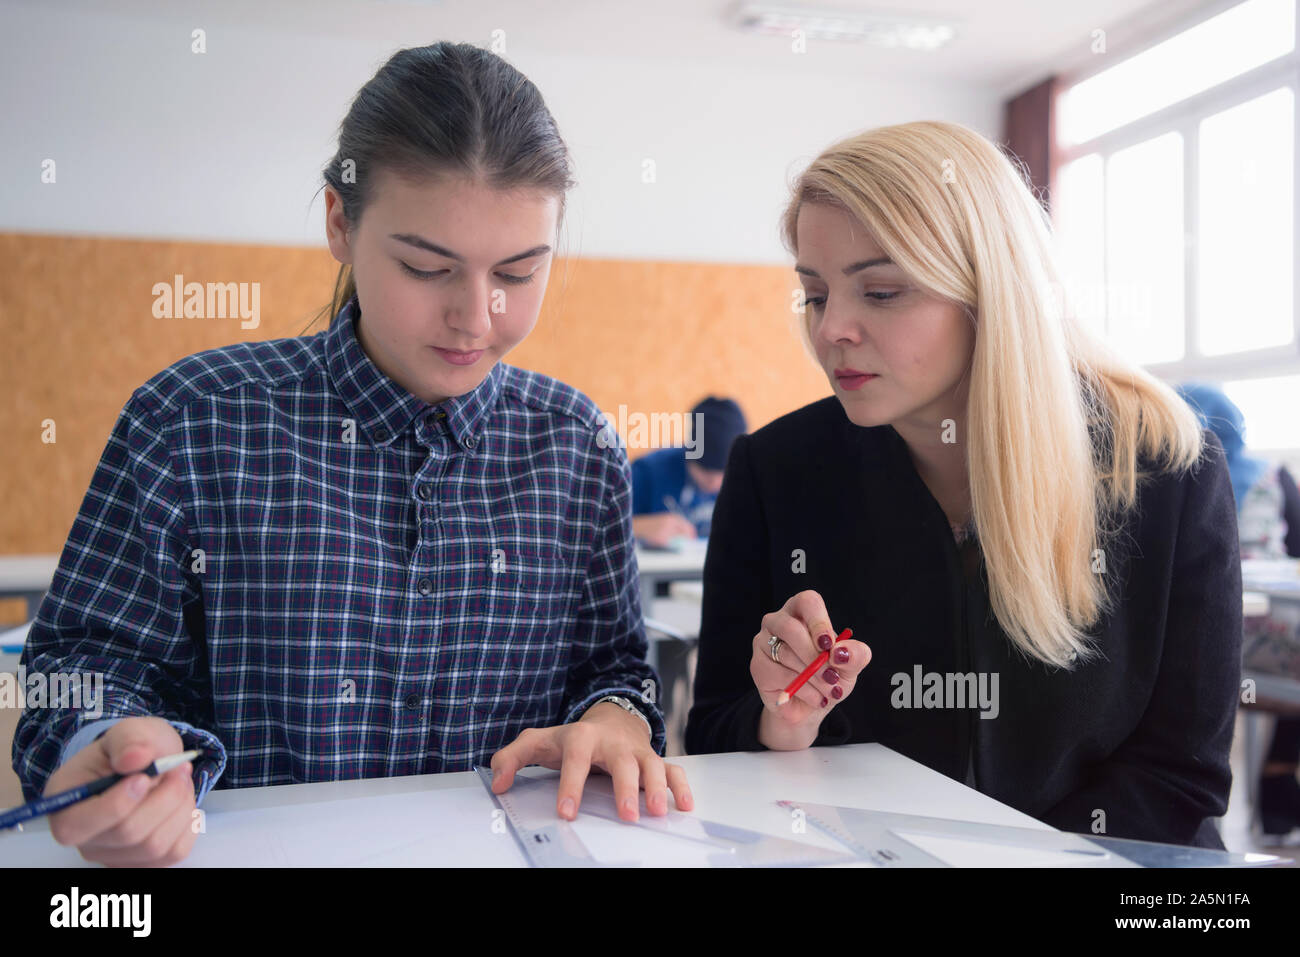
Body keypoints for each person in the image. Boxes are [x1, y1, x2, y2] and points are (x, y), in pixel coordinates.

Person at [13, 42, 691, 867]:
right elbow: (79, 664)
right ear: (340, 221)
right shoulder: (192, 421)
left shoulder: (576, 444)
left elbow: (613, 666)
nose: (475, 317)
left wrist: (617, 717)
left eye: (518, 271)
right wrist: (113, 737)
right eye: (426, 267)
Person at [686, 120, 1242, 849]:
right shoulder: (772, 471)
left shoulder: (1165, 466)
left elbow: (1181, 774)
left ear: (992, 292)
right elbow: (713, 732)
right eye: (816, 295)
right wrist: (781, 720)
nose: (832, 330)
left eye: (881, 292)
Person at [1177, 382, 1300, 838]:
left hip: (1204, 645)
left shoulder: (1158, 478)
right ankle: (1278, 779)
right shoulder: (1269, 475)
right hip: (1261, 638)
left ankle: (1276, 784)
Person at [631, 397, 747, 547]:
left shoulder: (748, 477)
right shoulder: (647, 472)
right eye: (706, 471)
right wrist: (638, 527)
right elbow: (603, 526)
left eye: (724, 472)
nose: (715, 482)